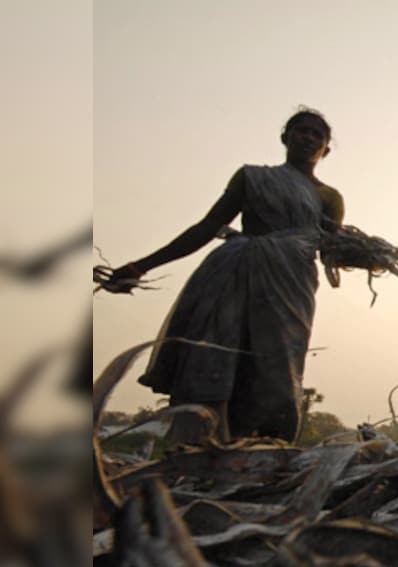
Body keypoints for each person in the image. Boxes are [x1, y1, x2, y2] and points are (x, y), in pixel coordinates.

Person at [108, 108, 345, 443]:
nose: (308, 138)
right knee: (215, 358)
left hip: (289, 289)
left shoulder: (329, 198)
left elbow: (333, 249)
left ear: (326, 149)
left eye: (316, 135)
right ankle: (203, 446)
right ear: (285, 137)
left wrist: (365, 253)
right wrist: (141, 266)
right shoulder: (252, 177)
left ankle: (266, 449)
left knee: (278, 368)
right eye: (301, 130)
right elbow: (207, 227)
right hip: (232, 276)